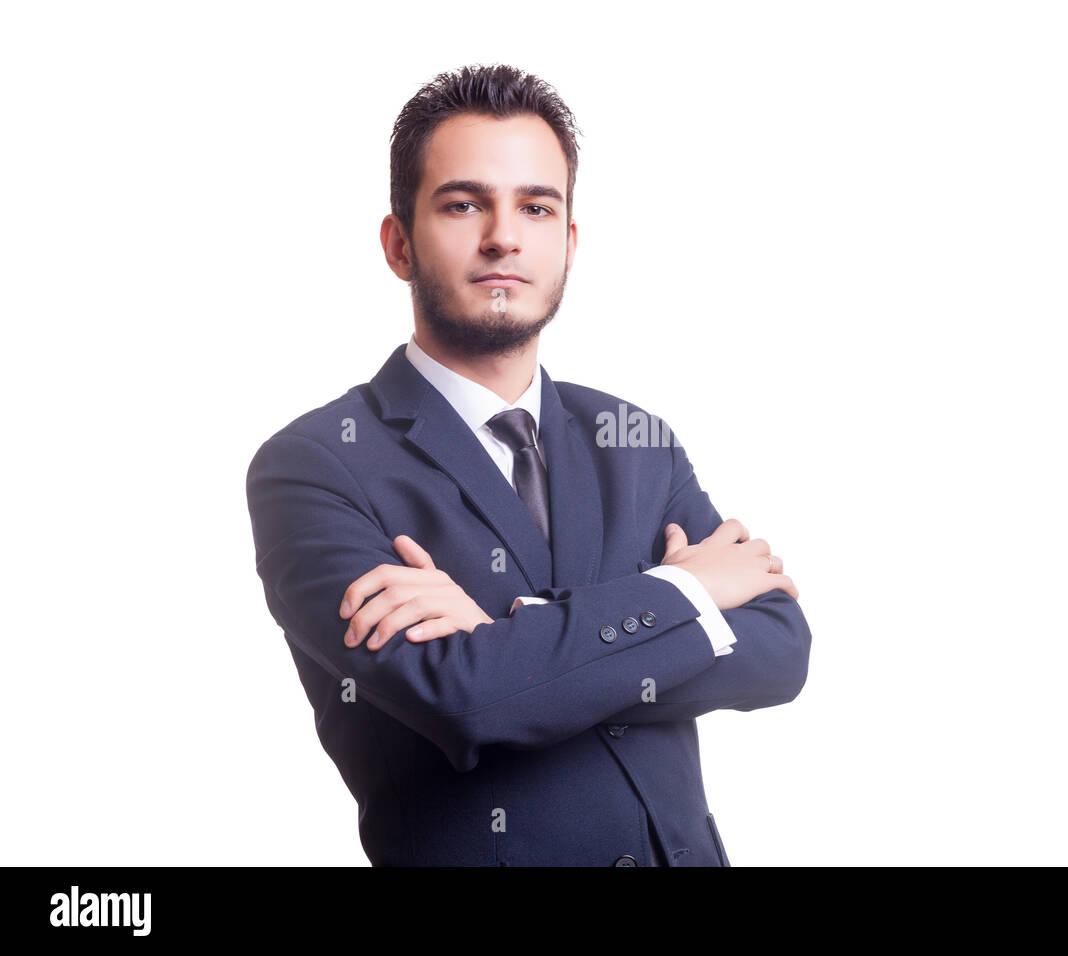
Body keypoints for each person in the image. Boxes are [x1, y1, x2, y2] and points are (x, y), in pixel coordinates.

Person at [245, 63, 812, 866]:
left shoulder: (632, 436)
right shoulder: (313, 466)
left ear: (569, 242)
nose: (503, 235)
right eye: (464, 203)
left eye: (536, 207)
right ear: (398, 243)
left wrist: (512, 642)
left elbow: (780, 646)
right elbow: (467, 701)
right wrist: (687, 593)